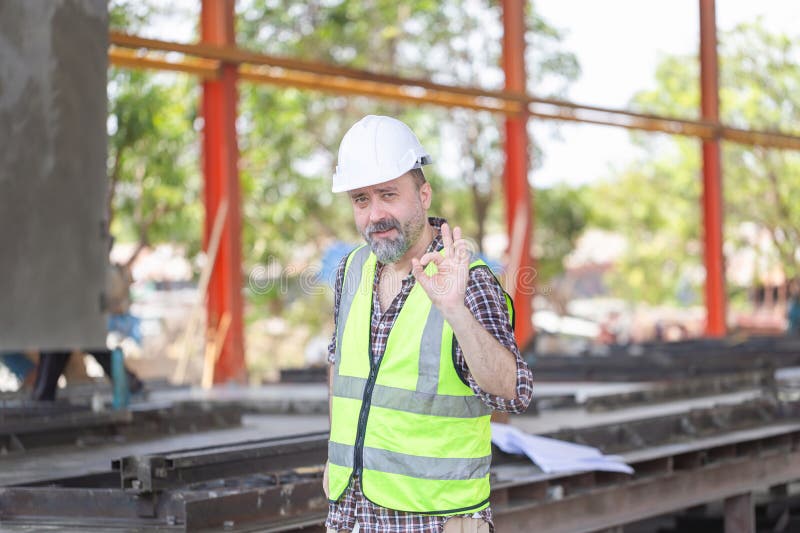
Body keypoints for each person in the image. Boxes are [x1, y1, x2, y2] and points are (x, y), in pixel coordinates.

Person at [323, 115, 533, 533]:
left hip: (433, 520)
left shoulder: (468, 279)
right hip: (352, 514)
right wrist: (338, 458)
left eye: (388, 195)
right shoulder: (352, 269)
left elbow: (513, 393)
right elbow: (340, 368)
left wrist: (455, 310)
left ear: (423, 194)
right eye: (361, 200)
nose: (375, 214)